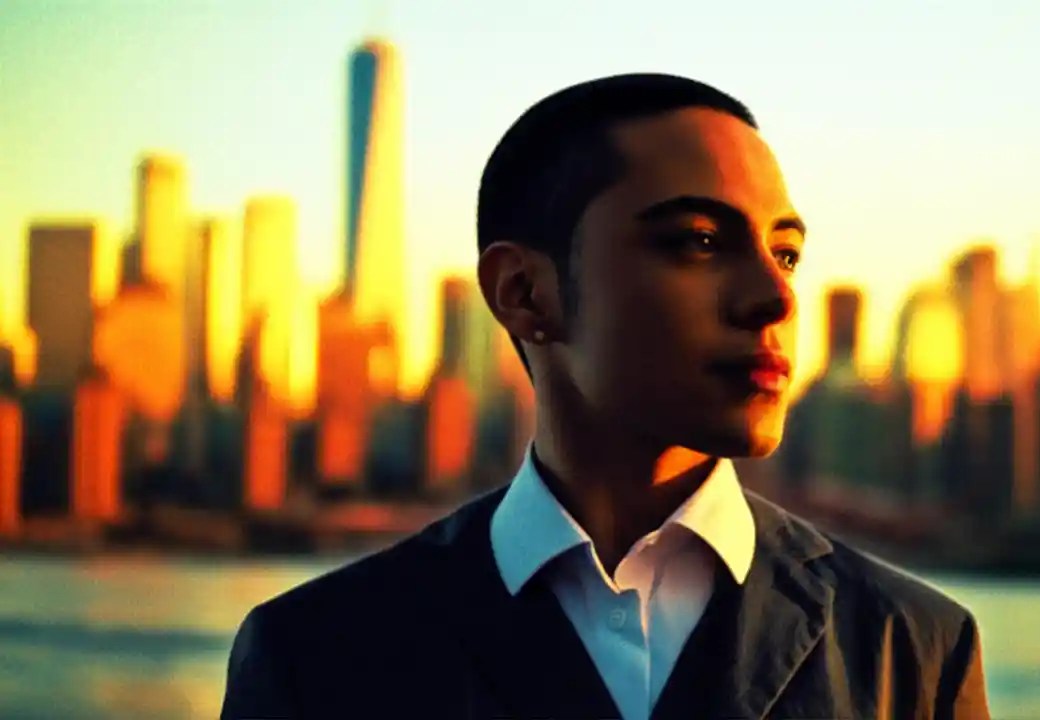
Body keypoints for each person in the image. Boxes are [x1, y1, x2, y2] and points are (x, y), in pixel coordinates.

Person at [220, 73, 990, 720]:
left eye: (785, 252)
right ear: (525, 293)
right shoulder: (317, 658)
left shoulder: (912, 655)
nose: (776, 297)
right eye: (698, 240)